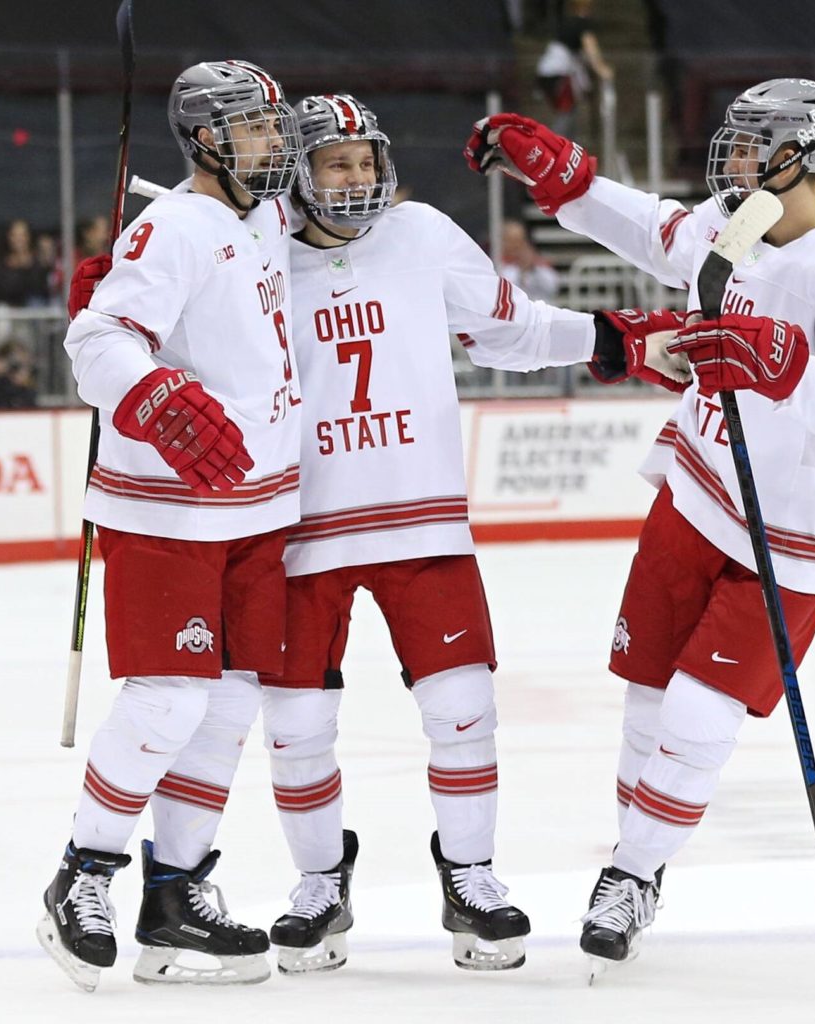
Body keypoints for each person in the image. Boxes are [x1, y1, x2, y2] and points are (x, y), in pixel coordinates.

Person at [466, 79, 815, 967]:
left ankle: (630, 874)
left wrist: (789, 369)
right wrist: (569, 182)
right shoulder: (738, 226)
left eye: (752, 148)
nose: (733, 162)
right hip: (699, 494)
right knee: (649, 697)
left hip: (788, 540)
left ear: (801, 156)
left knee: (702, 716)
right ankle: (643, 864)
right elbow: (660, 231)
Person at [258, 92, 689, 975]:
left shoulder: (420, 234)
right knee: (297, 724)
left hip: (421, 515)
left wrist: (614, 340)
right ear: (298, 171)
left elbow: (512, 328)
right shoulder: (255, 251)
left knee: (462, 712)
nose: (357, 178)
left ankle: (471, 875)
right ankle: (317, 884)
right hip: (302, 526)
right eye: (337, 163)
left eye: (366, 159)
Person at [36, 59, 304, 991]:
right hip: (170, 510)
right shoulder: (175, 228)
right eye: (257, 129)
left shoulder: (260, 213)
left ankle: (176, 894)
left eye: (275, 126)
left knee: (227, 707)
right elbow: (95, 341)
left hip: (261, 501)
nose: (277, 143)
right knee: (168, 699)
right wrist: (151, 389)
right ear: (205, 141)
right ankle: (84, 875)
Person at [535, 0, 613, 138]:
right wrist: (602, 69)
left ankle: (566, 146)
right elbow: (591, 50)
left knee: (569, 111)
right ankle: (553, 144)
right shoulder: (582, 25)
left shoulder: (568, 23)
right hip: (558, 73)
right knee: (566, 111)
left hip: (547, 72)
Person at [0, 218, 52, 307]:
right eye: (15, 235)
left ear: (29, 237)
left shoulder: (39, 261)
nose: (19, 239)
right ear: (9, 237)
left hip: (33, 309)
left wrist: (28, 265)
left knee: (35, 303)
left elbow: (41, 289)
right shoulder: (0, 262)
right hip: (8, 308)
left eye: (23, 235)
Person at [500, 219, 561, 302]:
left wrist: (532, 268)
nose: (516, 245)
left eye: (519, 240)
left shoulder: (536, 261)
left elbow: (553, 286)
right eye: (512, 241)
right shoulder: (498, 263)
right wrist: (521, 270)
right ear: (504, 242)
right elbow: (505, 289)